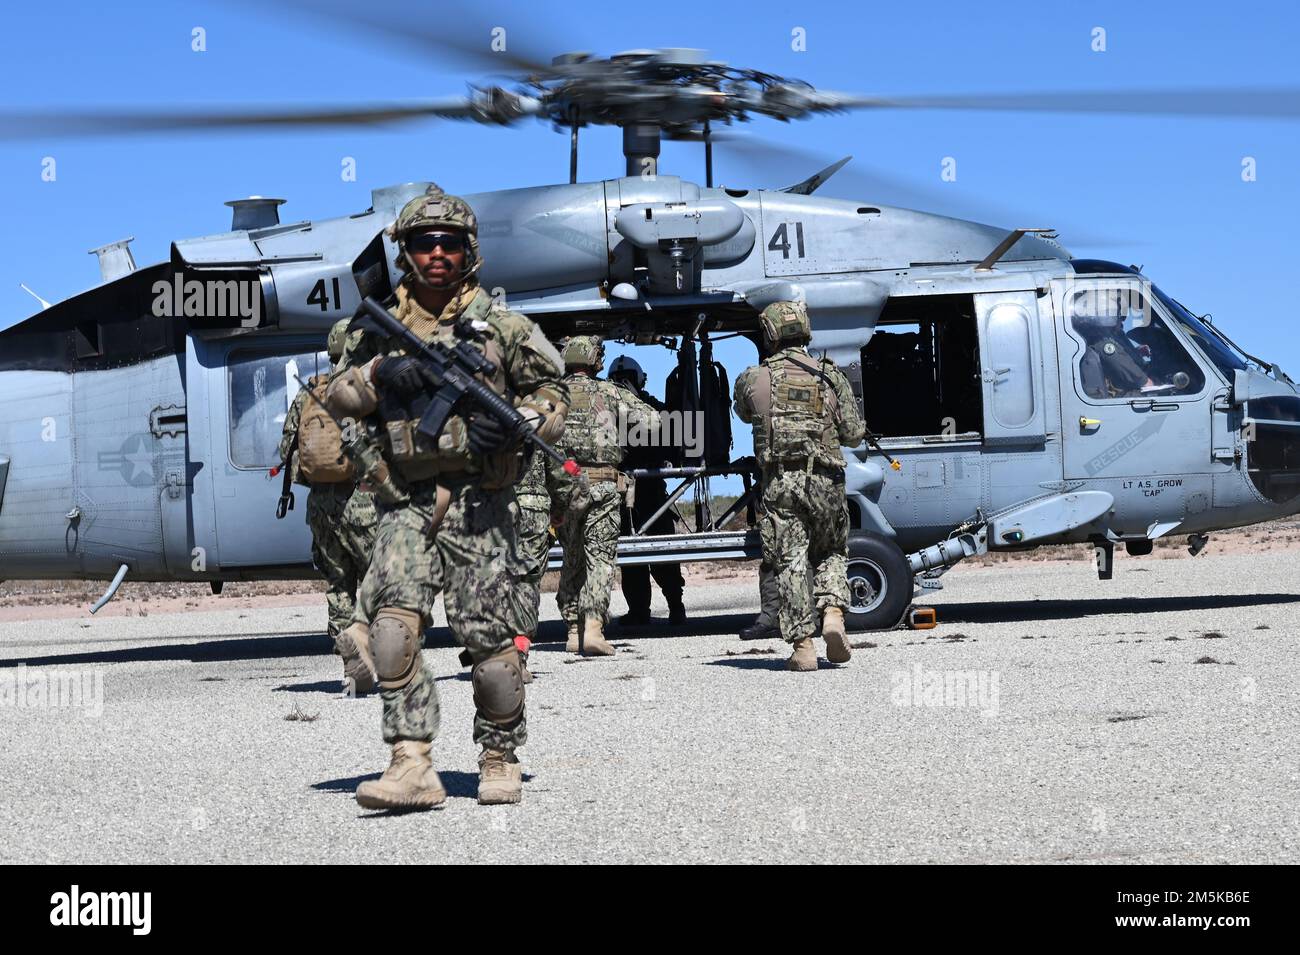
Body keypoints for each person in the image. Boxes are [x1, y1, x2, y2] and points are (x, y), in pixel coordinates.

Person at [324, 187, 568, 809]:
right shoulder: (374, 326)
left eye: (450, 243)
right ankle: (411, 764)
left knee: (492, 655)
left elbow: (555, 398)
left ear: (469, 252)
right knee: (390, 634)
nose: (437, 253)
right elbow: (337, 398)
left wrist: (521, 422)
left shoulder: (504, 325)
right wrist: (381, 377)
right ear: (405, 251)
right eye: (424, 243)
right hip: (406, 503)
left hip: (483, 505)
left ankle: (498, 753)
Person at [733, 300, 866, 671]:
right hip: (825, 479)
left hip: (779, 482)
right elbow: (853, 434)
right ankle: (834, 613)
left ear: (770, 333)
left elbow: (742, 413)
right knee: (832, 552)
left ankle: (803, 647)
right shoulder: (830, 376)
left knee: (789, 562)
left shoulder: (753, 377)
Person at [277, 319, 378, 695]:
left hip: (320, 505)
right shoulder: (365, 391)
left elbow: (286, 450)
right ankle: (374, 646)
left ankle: (350, 666)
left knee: (339, 583)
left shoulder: (309, 393)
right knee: (379, 580)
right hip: (362, 501)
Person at [548, 337, 660, 656]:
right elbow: (651, 421)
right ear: (595, 359)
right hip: (603, 484)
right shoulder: (609, 392)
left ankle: (572, 630)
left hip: (565, 487)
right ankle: (593, 629)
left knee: (572, 556)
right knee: (599, 557)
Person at [608, 355, 686, 627]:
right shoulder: (647, 407)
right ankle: (644, 610)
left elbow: (673, 437)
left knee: (656, 550)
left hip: (648, 492)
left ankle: (673, 606)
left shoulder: (647, 408)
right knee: (634, 556)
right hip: (633, 492)